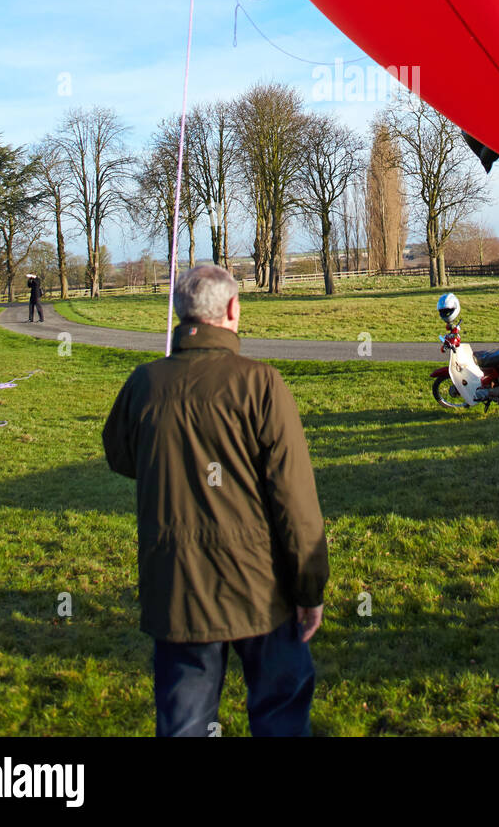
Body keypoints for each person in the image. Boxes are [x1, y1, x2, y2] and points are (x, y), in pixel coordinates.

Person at [102, 264, 329, 737]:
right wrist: (309, 589)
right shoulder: (262, 384)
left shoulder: (144, 383)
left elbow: (123, 457)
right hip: (260, 590)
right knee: (281, 716)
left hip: (177, 589)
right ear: (231, 309)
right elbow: (295, 500)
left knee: (184, 724)